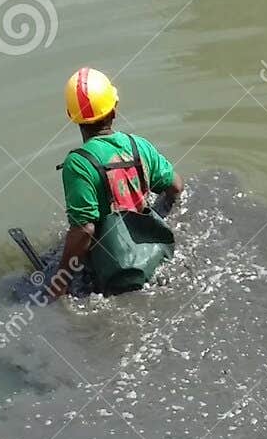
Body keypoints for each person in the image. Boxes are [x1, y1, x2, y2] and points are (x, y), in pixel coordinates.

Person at [48, 67, 184, 298]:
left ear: (71, 116)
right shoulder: (138, 145)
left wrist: (59, 283)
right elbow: (175, 187)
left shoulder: (78, 164)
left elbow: (84, 229)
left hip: (113, 270)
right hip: (154, 257)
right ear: (114, 108)